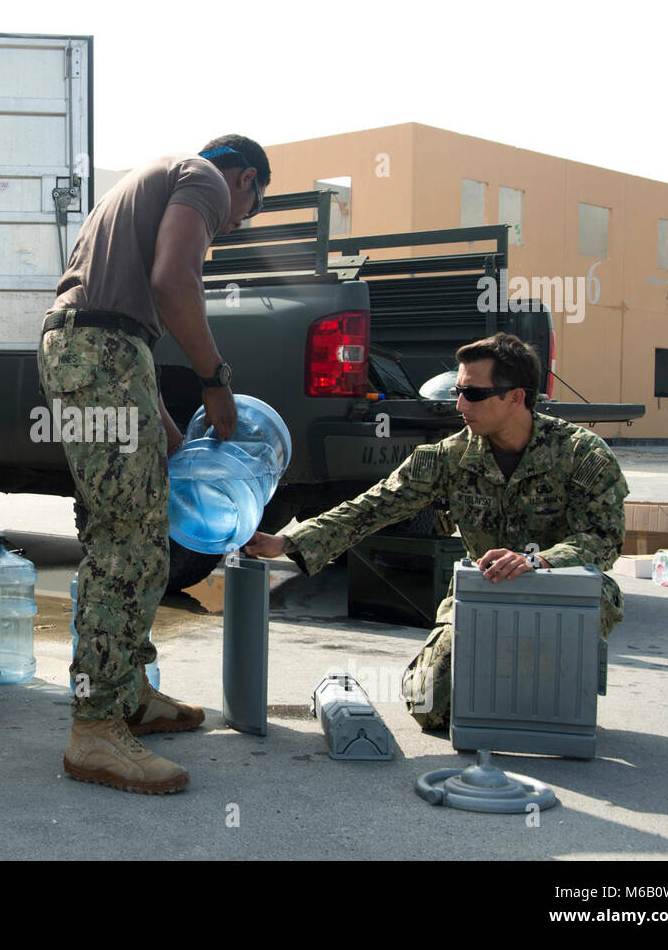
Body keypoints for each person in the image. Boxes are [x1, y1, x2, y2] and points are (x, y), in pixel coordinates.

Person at [39, 136, 271, 793]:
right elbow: (175, 283)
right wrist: (215, 379)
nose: (232, 222)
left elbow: (126, 335)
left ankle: (131, 692)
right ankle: (96, 729)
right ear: (245, 179)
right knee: (130, 543)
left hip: (96, 350)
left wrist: (175, 439)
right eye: (245, 210)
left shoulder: (149, 183)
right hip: (101, 350)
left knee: (122, 526)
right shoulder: (204, 179)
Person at [244, 333, 629, 729]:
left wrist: (537, 561)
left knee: (545, 692)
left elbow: (603, 539)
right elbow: (375, 506)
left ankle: (555, 680)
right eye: (459, 392)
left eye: (473, 394)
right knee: (431, 707)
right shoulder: (451, 456)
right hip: (484, 591)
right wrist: (289, 541)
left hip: (559, 590)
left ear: (516, 397)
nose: (460, 404)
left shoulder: (582, 454)